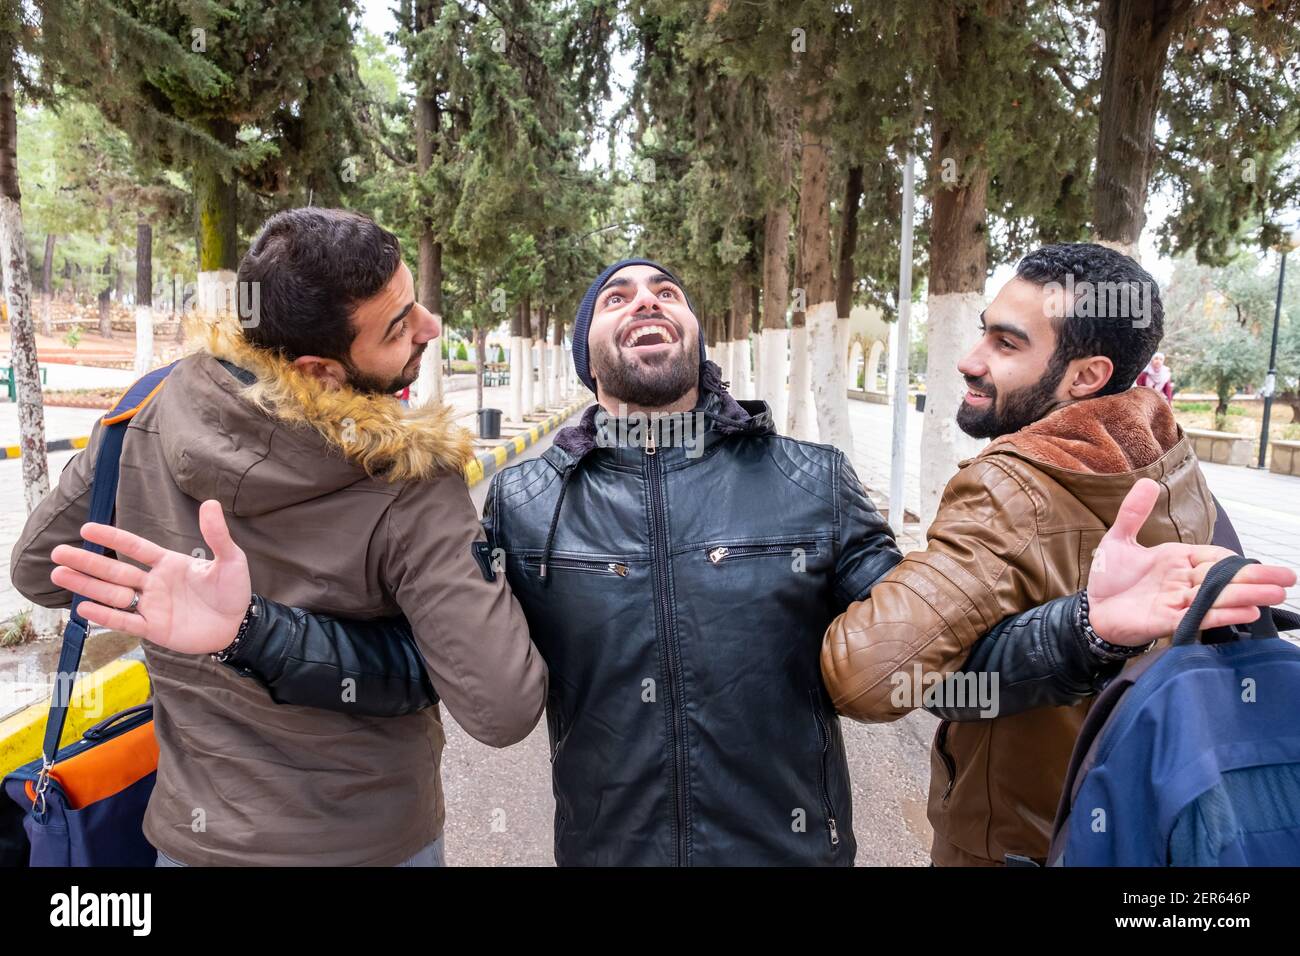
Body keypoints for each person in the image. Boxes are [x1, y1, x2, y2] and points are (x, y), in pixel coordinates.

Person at [54, 257, 1284, 866]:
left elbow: (923, 680)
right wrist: (250, 630)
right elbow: (417, 676)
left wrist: (1078, 631)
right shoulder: (522, 495)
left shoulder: (808, 477)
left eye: (667, 291)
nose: (645, 301)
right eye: (616, 295)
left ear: (694, 334)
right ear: (591, 345)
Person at [11, 207, 546, 866]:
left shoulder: (143, 413)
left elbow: (39, 569)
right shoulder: (409, 478)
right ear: (324, 371)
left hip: (190, 842)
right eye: (400, 326)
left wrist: (174, 610)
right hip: (373, 846)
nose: (430, 327)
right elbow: (502, 707)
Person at [820, 243, 1294, 866]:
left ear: (1087, 376)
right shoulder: (1168, 452)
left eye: (1006, 344)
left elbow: (867, 677)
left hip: (1016, 845)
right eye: (982, 332)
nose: (970, 360)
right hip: (1147, 829)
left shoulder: (1006, 488)